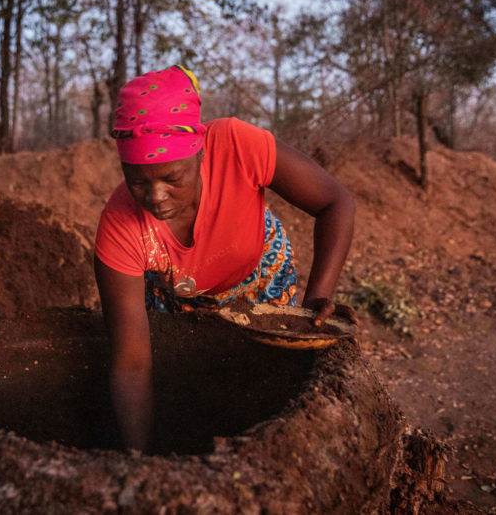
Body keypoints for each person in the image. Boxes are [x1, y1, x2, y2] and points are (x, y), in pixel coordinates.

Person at [94, 65, 356, 451]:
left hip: (259, 275)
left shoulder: (236, 145)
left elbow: (336, 202)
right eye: (137, 182)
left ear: (199, 153)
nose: (156, 197)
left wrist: (315, 300)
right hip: (180, 296)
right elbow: (132, 365)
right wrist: (138, 462)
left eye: (172, 178)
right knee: (189, 385)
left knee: (265, 384)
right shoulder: (120, 230)